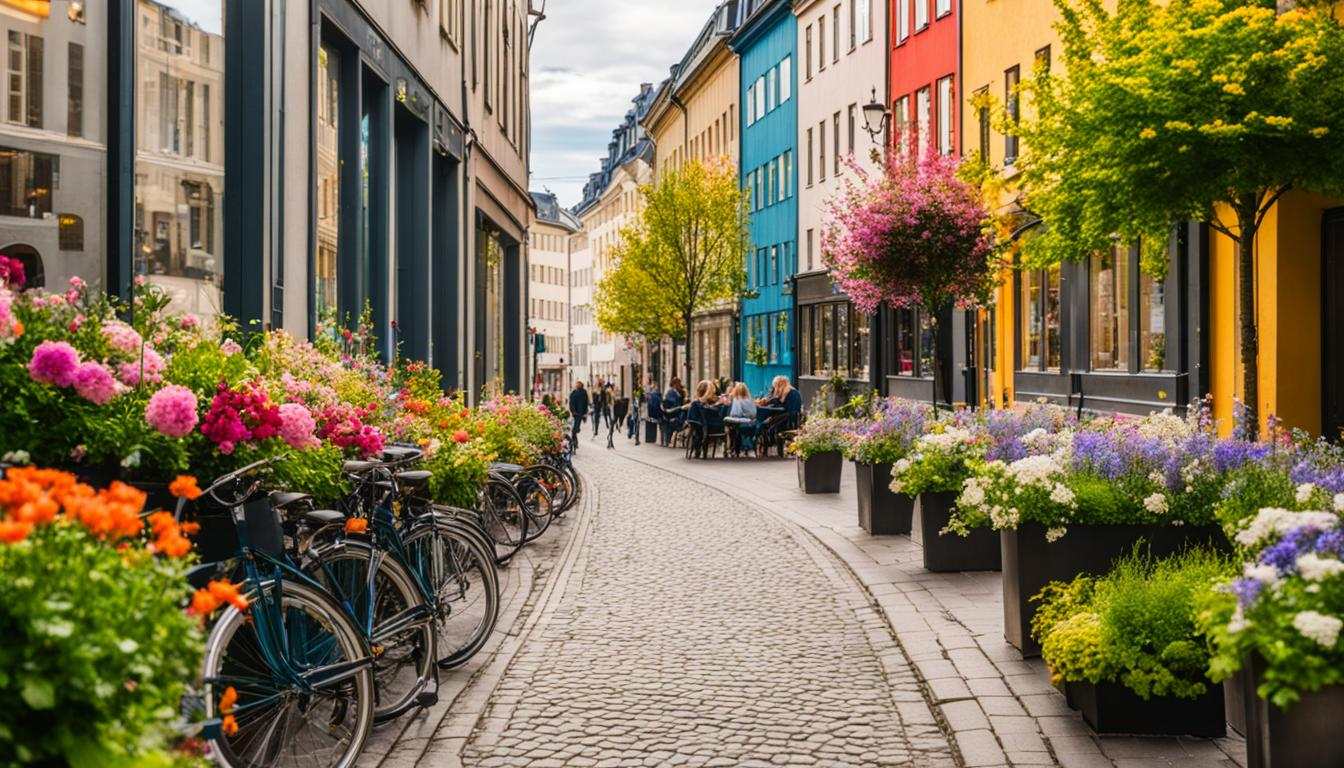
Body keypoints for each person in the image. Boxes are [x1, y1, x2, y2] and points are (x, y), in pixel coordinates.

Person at [687, 380, 726, 459]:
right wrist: (719, 404)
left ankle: (699, 449)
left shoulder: (698, 402)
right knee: (726, 426)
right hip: (703, 426)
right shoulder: (698, 403)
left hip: (700, 425)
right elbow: (708, 411)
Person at [567, 381, 589, 450]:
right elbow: (571, 403)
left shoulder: (583, 393)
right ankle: (575, 442)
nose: (577, 385)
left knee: (575, 429)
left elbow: (586, 403)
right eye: (577, 384)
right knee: (574, 429)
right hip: (575, 413)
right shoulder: (574, 393)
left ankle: (575, 442)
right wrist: (573, 411)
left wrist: (584, 413)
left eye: (578, 385)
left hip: (579, 413)